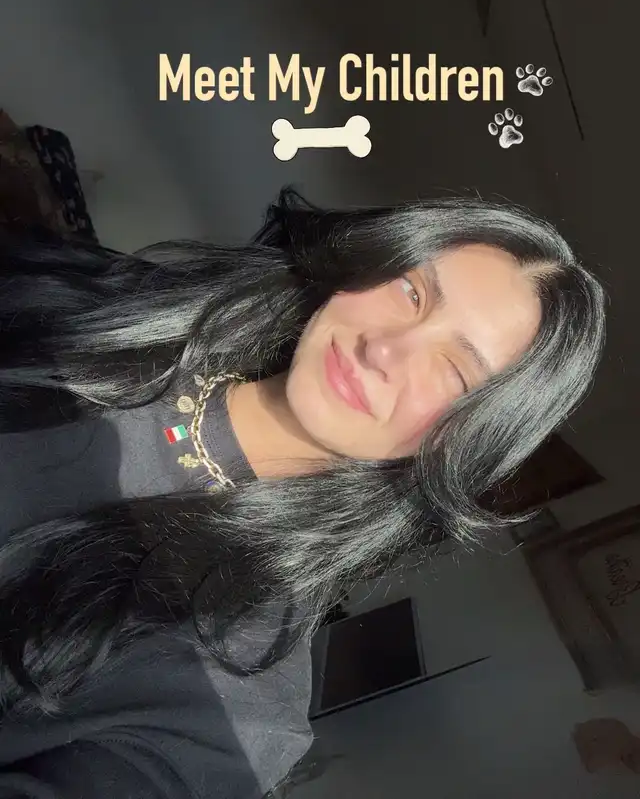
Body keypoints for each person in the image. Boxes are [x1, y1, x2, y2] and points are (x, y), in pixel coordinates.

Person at [0, 188, 606, 797]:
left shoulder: (234, 696)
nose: (385, 348)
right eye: (411, 291)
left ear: (464, 443)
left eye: (454, 370)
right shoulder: (124, 297)